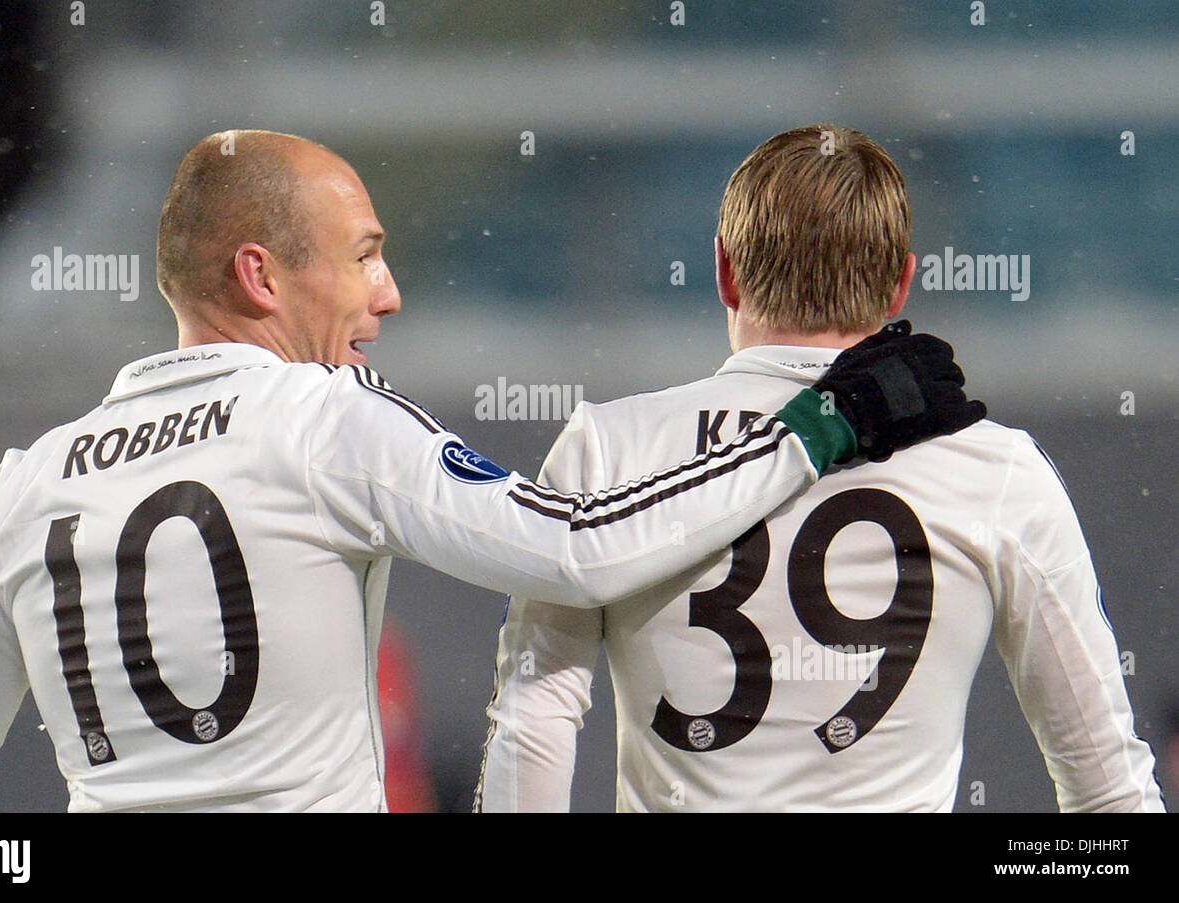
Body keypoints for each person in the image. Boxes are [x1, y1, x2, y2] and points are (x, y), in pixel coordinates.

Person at [0, 130, 982, 813]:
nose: (388, 291)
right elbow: (579, 546)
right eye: (362, 253)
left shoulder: (25, 483)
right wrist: (822, 425)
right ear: (259, 274)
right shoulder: (319, 419)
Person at [476, 123, 1164, 813]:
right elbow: (1109, 792)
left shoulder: (608, 445)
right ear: (901, 285)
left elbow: (532, 721)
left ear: (724, 270)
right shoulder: (996, 471)